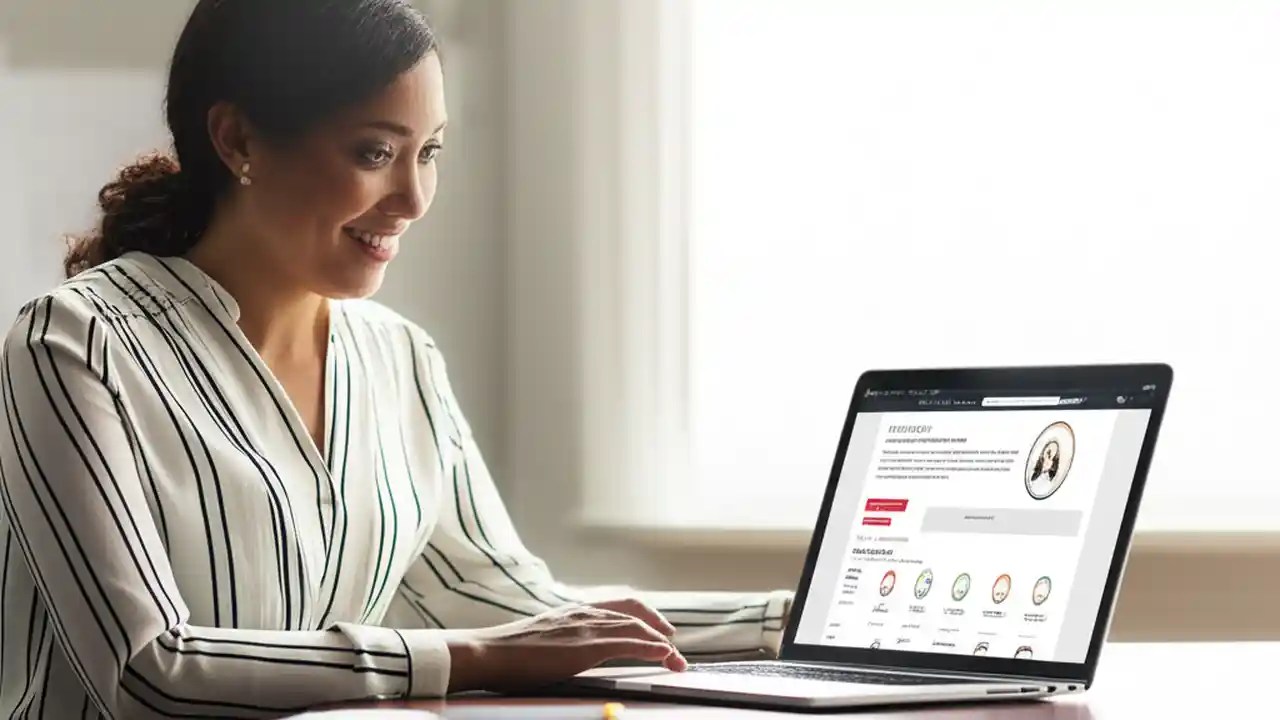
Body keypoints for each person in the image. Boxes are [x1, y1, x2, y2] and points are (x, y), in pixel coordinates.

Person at [0, 2, 792, 716]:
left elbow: (512, 604)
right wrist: (470, 660)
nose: (413, 199)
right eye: (377, 152)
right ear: (238, 139)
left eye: (431, 153)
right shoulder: (75, 344)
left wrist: (790, 621)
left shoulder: (401, 359)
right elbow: (147, 668)